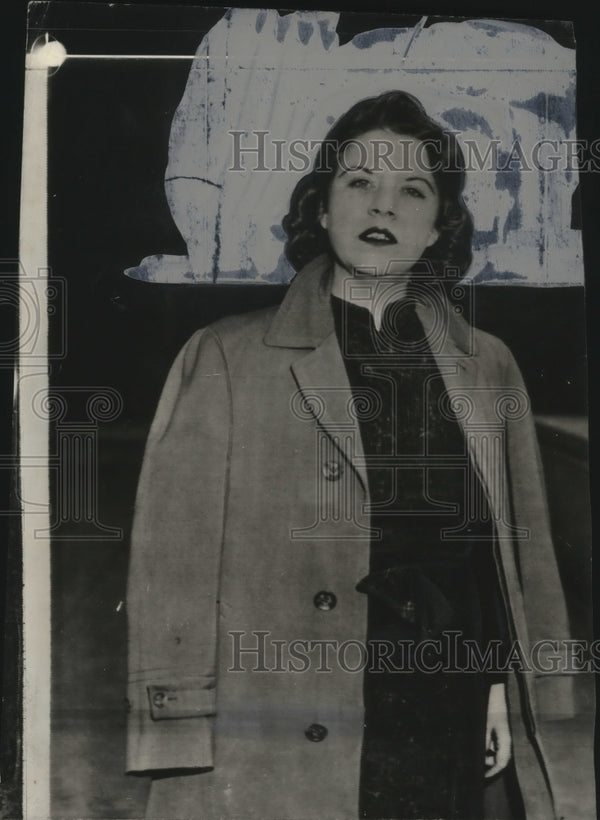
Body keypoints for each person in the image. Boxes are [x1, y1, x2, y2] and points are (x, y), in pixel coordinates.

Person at [126, 91, 575, 819]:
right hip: (285, 717)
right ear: (324, 207)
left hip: (443, 712)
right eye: (360, 182)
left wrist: (502, 693)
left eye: (413, 191)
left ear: (438, 228)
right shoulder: (223, 358)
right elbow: (169, 567)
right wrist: (176, 722)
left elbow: (506, 562)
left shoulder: (486, 364)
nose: (384, 207)